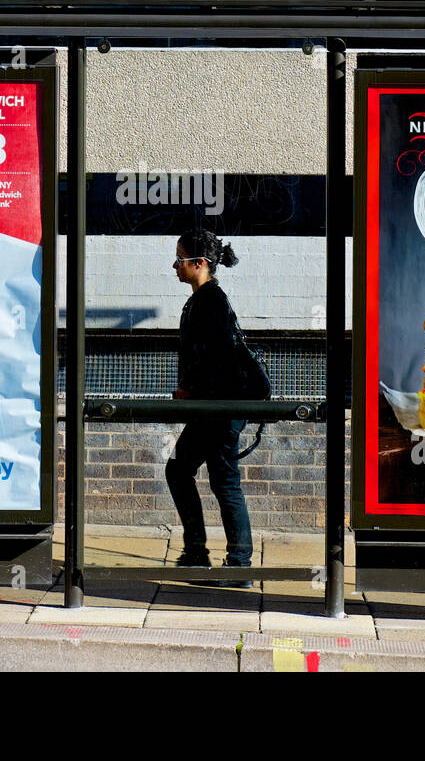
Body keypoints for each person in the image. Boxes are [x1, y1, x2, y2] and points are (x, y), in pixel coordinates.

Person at [166, 228, 253, 586]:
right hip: (214, 407)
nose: (174, 265)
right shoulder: (205, 298)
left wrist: (191, 390)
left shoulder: (211, 301)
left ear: (199, 264)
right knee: (182, 471)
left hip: (220, 408)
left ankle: (238, 564)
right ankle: (199, 553)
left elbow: (221, 360)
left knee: (224, 481)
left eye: (180, 258)